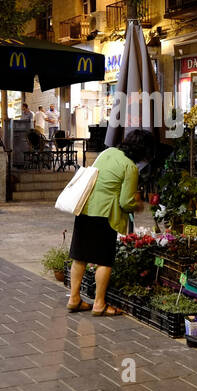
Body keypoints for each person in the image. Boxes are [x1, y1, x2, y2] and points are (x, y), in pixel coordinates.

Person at [66, 128, 157, 316]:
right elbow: (125, 201)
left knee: (80, 256)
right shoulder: (130, 167)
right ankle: (99, 303)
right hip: (105, 213)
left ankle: (74, 298)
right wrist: (138, 205)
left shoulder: (107, 152)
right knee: (103, 260)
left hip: (85, 207)